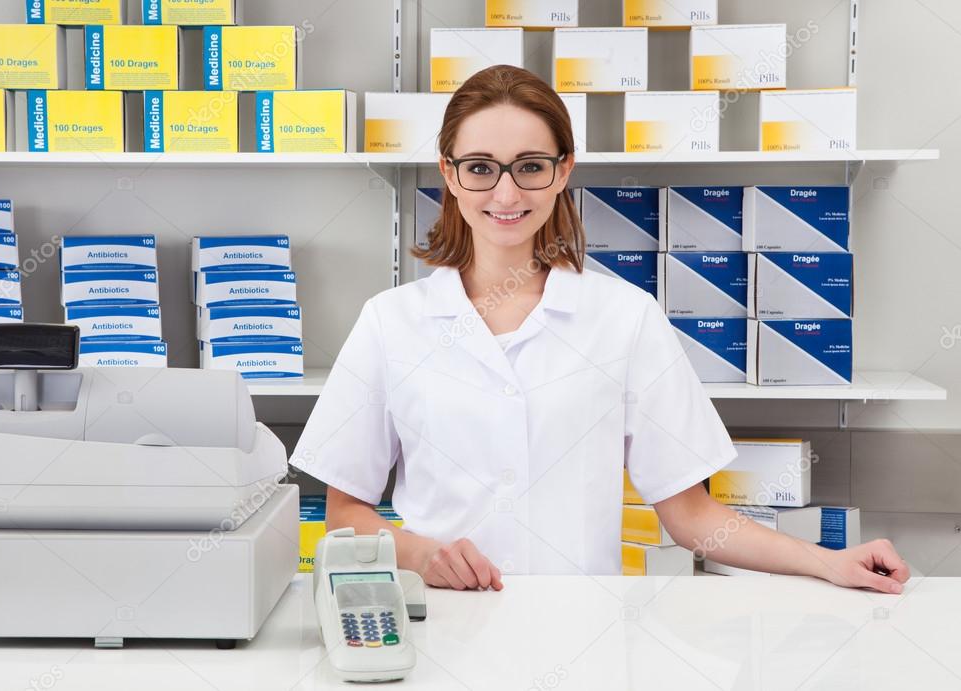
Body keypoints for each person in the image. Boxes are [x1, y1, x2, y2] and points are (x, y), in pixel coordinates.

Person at [290, 65, 910, 594]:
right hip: (441, 628)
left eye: (529, 166)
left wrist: (828, 562)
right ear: (449, 175)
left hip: (584, 635)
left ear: (563, 171)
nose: (506, 191)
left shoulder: (625, 318)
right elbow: (346, 510)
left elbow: (691, 515)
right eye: (480, 167)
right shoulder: (391, 322)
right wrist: (423, 554)